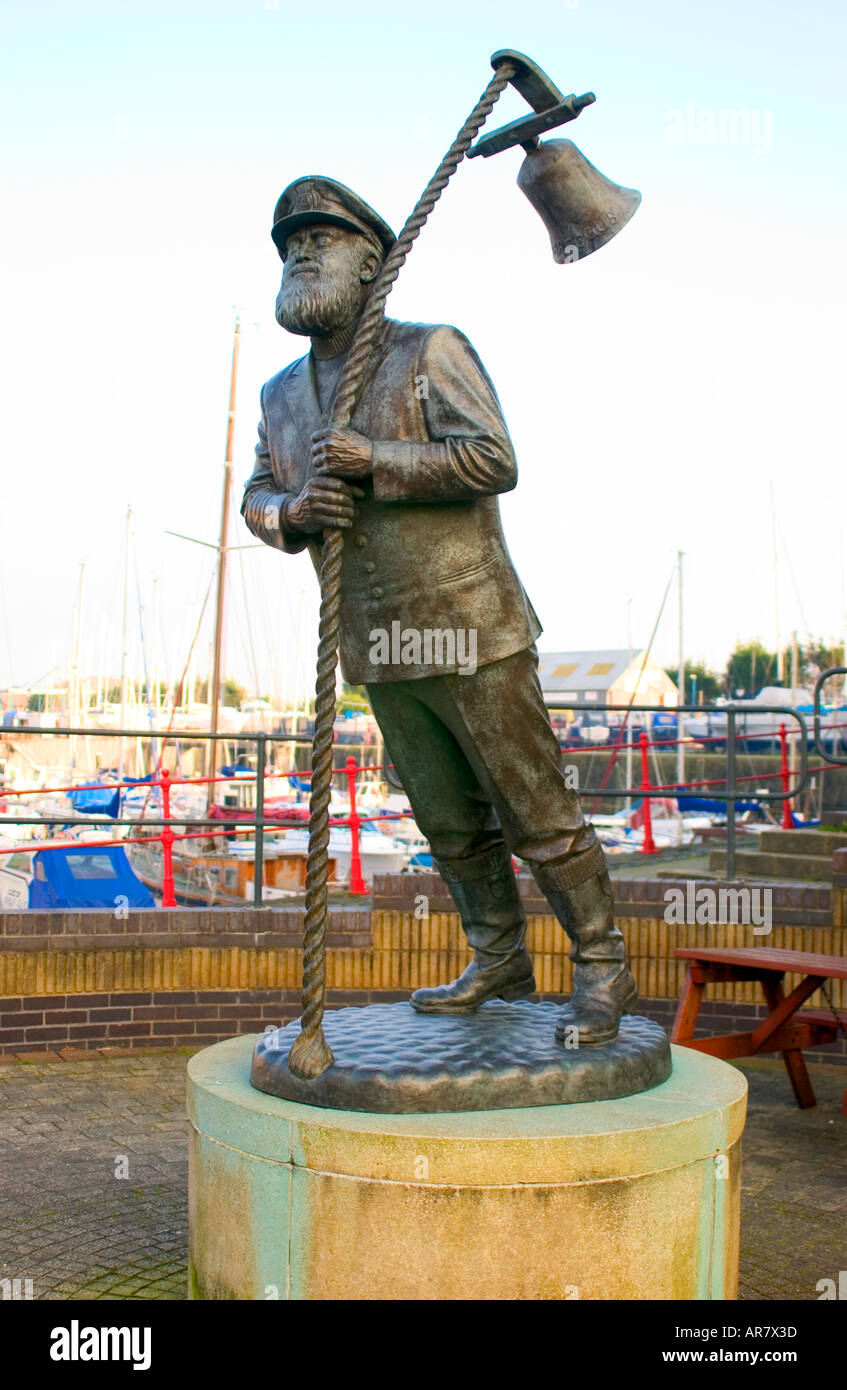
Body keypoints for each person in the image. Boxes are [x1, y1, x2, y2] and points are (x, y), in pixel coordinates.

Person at [241, 176, 638, 1044]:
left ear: (373, 261)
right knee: (446, 820)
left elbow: (493, 459)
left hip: (470, 628)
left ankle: (603, 965)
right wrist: (294, 513)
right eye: (291, 242)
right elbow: (256, 494)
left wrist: (374, 457)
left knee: (537, 811)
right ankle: (498, 955)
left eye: (324, 237)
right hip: (375, 640)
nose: (301, 251)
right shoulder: (279, 394)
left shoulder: (429, 350)